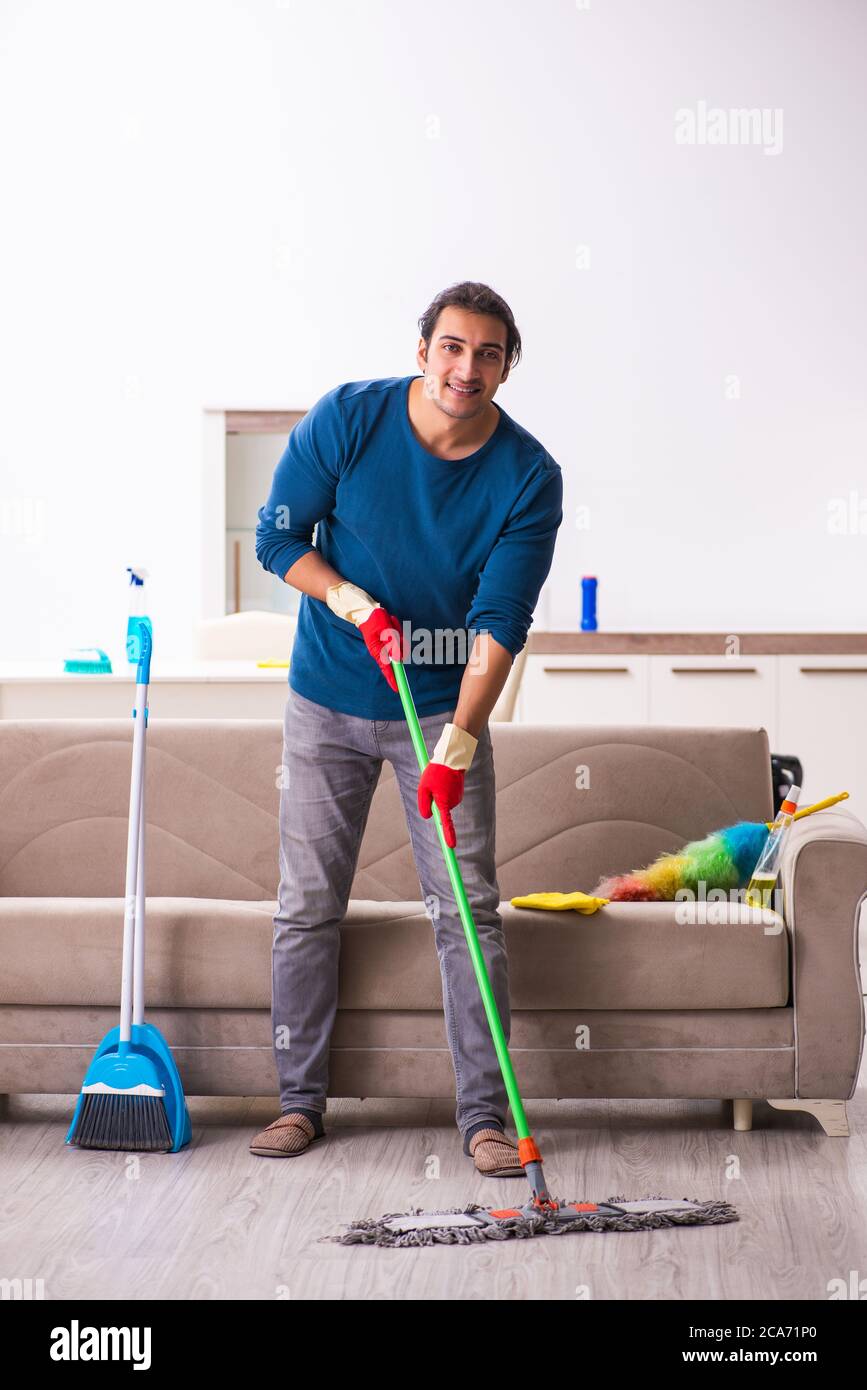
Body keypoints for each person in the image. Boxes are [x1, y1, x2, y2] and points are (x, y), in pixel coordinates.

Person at [250, 280, 563, 1175]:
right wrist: (353, 603)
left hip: (435, 707)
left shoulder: (527, 477)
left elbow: (502, 619)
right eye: (453, 347)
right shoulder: (348, 418)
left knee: (467, 916)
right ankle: (298, 1106)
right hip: (326, 698)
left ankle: (485, 1122)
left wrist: (458, 746)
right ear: (423, 349)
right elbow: (278, 538)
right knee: (307, 906)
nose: (467, 368)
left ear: (506, 368)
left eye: (489, 354)